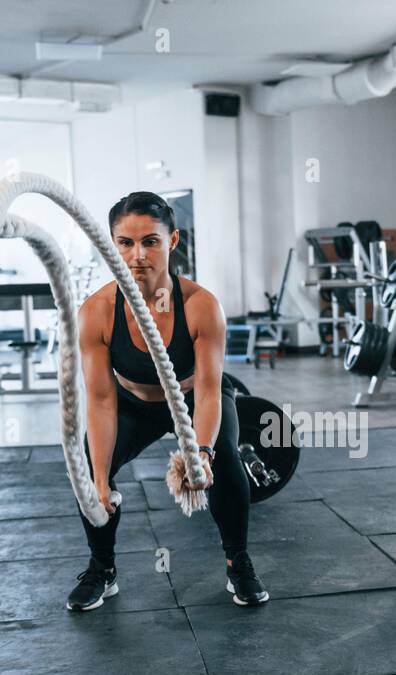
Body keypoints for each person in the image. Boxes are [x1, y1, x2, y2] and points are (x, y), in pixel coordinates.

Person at [66, 191, 269, 610]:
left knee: (226, 459)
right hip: (131, 403)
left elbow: (211, 389)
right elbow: (102, 400)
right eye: (125, 242)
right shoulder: (96, 311)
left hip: (196, 396)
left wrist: (205, 452)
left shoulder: (201, 306)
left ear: (172, 241)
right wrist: (100, 481)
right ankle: (102, 568)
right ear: (111, 244)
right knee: (88, 467)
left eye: (150, 241)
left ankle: (238, 561)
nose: (137, 255)